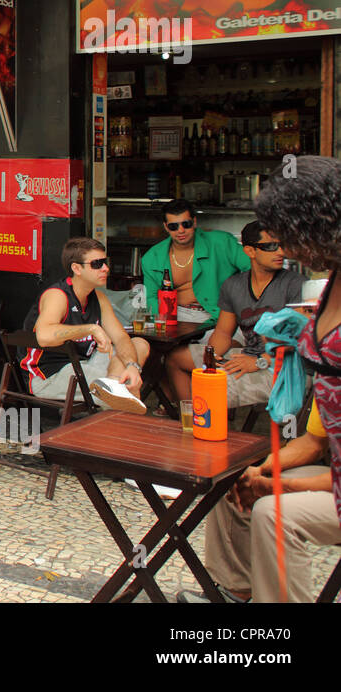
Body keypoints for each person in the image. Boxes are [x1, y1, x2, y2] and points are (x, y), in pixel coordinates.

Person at [183, 397, 338, 602]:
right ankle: (234, 593)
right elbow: (313, 443)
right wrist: (261, 470)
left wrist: (277, 487)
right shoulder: (331, 375)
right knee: (233, 479)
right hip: (331, 476)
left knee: (273, 512)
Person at [255, 155, 341, 523]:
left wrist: (286, 487)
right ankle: (237, 585)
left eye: (287, 237)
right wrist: (262, 470)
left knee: (269, 515)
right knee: (234, 491)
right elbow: (315, 441)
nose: (286, 251)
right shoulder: (332, 281)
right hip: (328, 465)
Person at [164, 221, 302, 404]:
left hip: (285, 366)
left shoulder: (296, 284)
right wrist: (211, 358)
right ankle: (188, 423)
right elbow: (222, 333)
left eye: (282, 245)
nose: (280, 252)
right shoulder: (234, 285)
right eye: (271, 246)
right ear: (250, 251)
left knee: (213, 386)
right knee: (176, 359)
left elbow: (301, 338)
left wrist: (261, 360)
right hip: (249, 355)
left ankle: (206, 424)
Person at [23, 237, 150, 414]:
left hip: (85, 364)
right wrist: (91, 328)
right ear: (77, 268)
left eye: (105, 262)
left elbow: (121, 338)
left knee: (140, 344)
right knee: (127, 390)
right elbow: (44, 336)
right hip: (50, 375)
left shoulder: (98, 298)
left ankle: (112, 386)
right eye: (97, 264)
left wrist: (132, 366)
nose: (105, 268)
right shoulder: (57, 295)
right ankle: (114, 410)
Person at [142, 199, 249, 326]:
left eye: (186, 224)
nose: (181, 230)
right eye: (173, 226)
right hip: (176, 317)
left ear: (194, 222)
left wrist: (241, 300)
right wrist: (163, 327)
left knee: (215, 344)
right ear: (166, 227)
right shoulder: (152, 257)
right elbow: (151, 298)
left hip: (218, 314)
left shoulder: (221, 243)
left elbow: (255, 267)